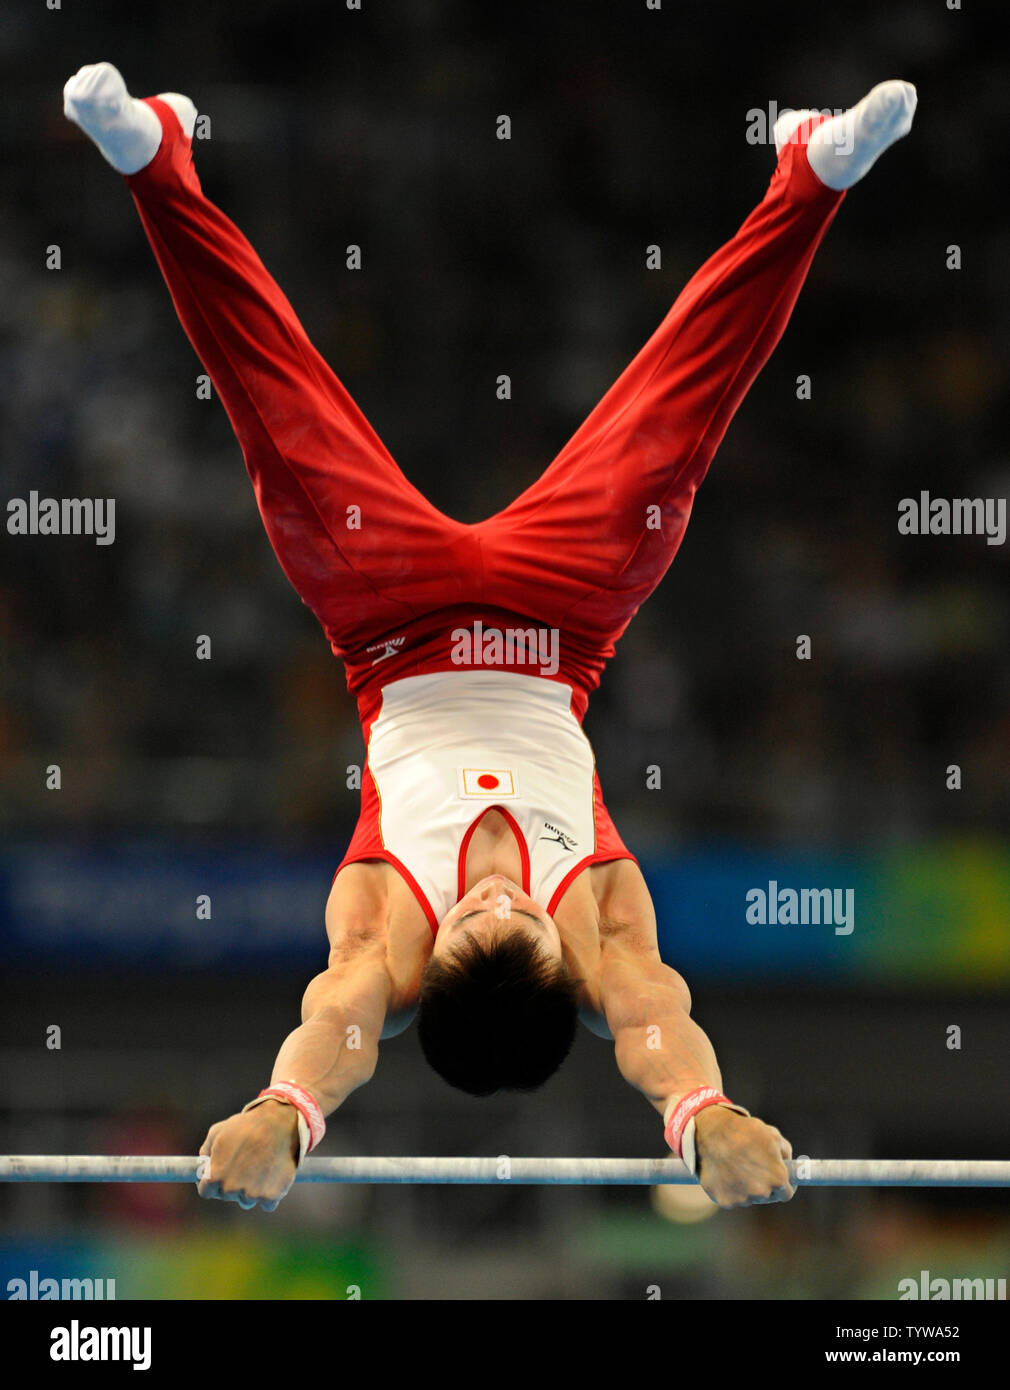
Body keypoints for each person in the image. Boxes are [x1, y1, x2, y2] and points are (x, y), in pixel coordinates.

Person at [63, 62, 916, 1211]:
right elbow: (655, 1020)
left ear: (433, 966)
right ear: (560, 970)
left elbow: (341, 1024)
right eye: (522, 925)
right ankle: (807, 180)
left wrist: (285, 1112)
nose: (500, 903)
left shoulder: (385, 941)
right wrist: (699, 1113)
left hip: (389, 621)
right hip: (562, 624)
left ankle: (157, 163)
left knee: (277, 410)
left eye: (473, 927)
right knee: (674, 421)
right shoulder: (599, 933)